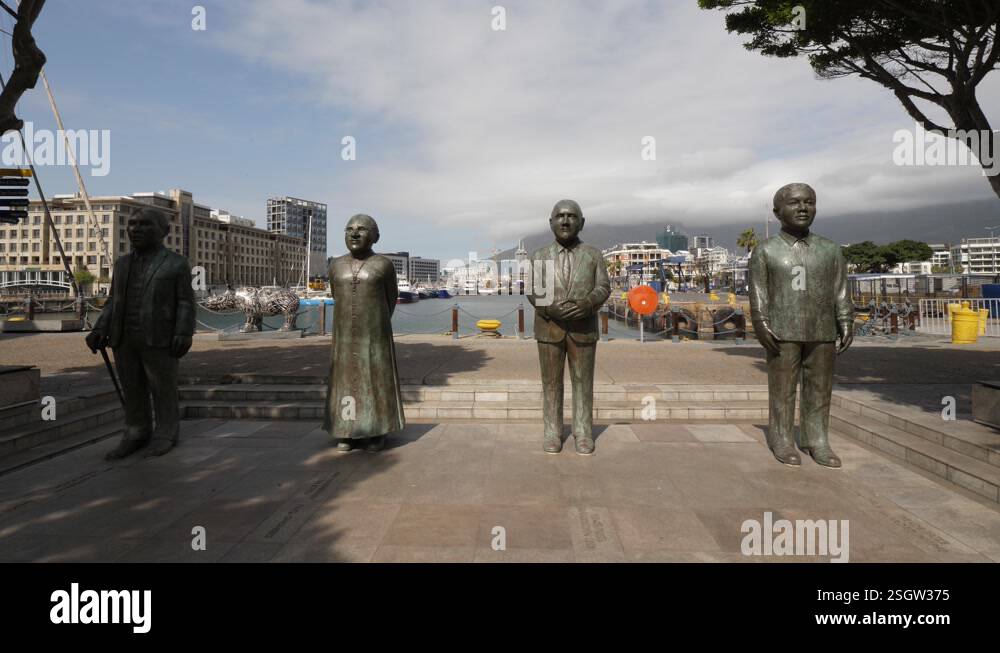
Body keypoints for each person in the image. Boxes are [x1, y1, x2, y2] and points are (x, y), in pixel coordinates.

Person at [749, 183, 853, 468]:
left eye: (809, 202)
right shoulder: (766, 251)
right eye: (794, 203)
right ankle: (781, 438)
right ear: (777, 211)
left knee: (820, 388)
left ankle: (817, 439)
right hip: (782, 330)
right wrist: (761, 322)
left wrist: (845, 318)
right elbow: (759, 293)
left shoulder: (830, 250)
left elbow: (840, 289)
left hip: (822, 328)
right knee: (783, 388)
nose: (803, 208)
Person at [85, 206, 195, 459]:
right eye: (133, 224)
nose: (136, 229)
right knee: (132, 388)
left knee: (162, 387)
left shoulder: (176, 264)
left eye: (145, 224)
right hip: (123, 338)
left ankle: (166, 432)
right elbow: (114, 300)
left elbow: (186, 302)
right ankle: (136, 431)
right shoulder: (122, 264)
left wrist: (184, 332)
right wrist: (100, 327)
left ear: (163, 231)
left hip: (160, 336)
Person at [528, 199, 611, 455]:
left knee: (583, 382)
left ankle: (583, 432)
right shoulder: (540, 255)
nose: (565, 221)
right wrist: (548, 308)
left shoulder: (593, 255)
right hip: (548, 328)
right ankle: (552, 432)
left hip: (583, 328)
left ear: (581, 222)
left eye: (572, 216)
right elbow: (533, 290)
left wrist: (588, 304)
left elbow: (604, 287)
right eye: (560, 216)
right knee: (551, 383)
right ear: (551, 222)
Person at [324, 214, 405, 452]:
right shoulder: (335, 265)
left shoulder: (383, 265)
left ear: (375, 236)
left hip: (374, 334)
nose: (355, 233)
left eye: (362, 229)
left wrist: (376, 324)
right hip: (344, 335)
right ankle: (346, 430)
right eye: (349, 229)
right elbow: (336, 295)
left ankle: (376, 430)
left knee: (375, 379)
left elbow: (390, 299)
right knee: (345, 381)